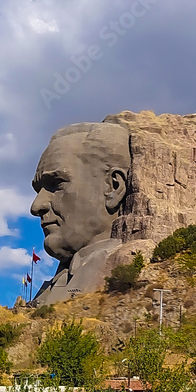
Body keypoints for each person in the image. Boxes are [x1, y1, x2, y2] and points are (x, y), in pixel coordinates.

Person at [30, 122, 130, 305]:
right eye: (38, 191)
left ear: (114, 187)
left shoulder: (120, 272)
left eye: (57, 184)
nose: (36, 206)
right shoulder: (60, 279)